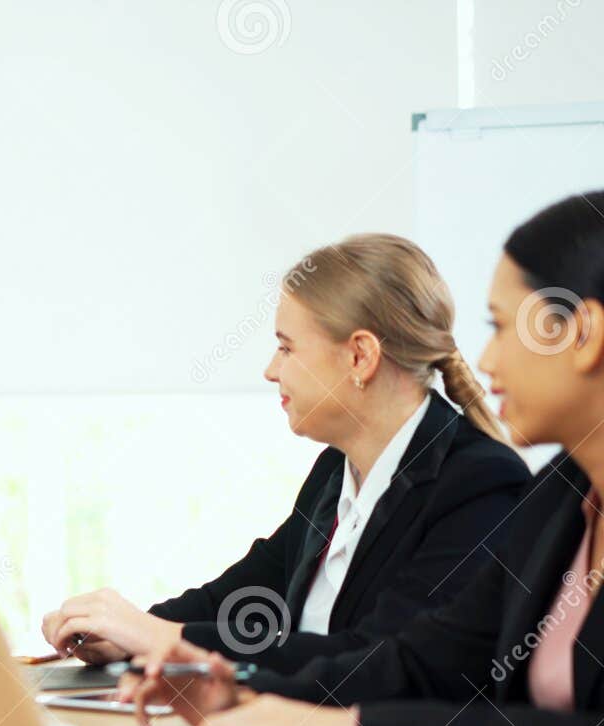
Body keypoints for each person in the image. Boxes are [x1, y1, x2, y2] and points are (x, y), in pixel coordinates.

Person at [124, 191, 604, 726]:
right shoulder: (557, 500)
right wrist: (251, 697)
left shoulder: (491, 482)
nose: (486, 358)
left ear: (583, 333)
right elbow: (424, 661)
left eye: (501, 326)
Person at [41, 235, 529, 673]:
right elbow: (246, 598)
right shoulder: (337, 470)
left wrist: (162, 639)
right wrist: (128, 633)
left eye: (287, 348)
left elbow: (377, 657)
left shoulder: (479, 484)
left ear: (360, 356)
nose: (271, 371)